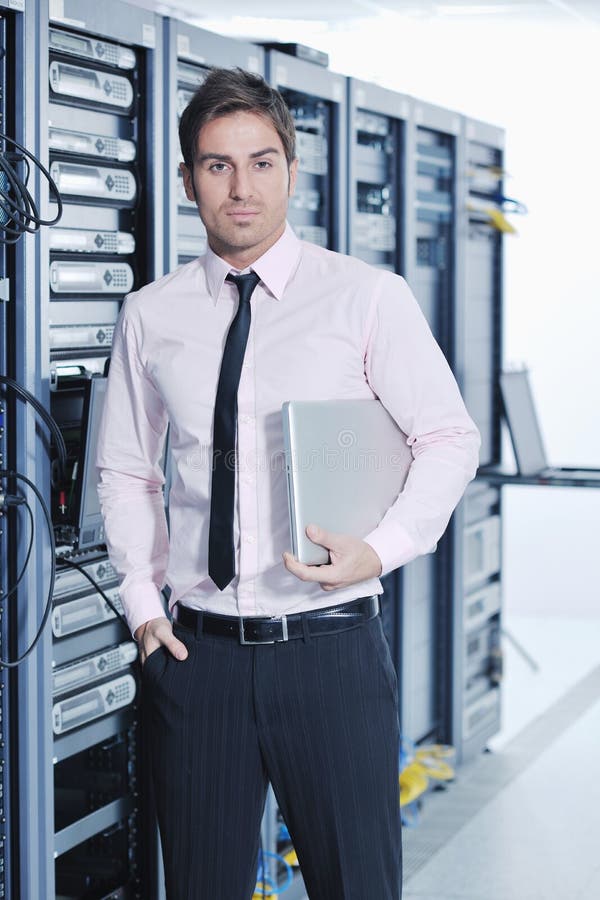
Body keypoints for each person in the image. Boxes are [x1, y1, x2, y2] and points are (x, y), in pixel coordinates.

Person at [96, 67, 480, 900]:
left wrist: (380, 550)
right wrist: (142, 601)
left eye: (261, 163)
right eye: (217, 165)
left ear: (291, 171)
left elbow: (449, 437)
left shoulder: (367, 298)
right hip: (197, 658)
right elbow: (126, 467)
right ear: (190, 176)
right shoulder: (150, 315)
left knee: (357, 886)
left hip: (329, 650)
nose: (241, 188)